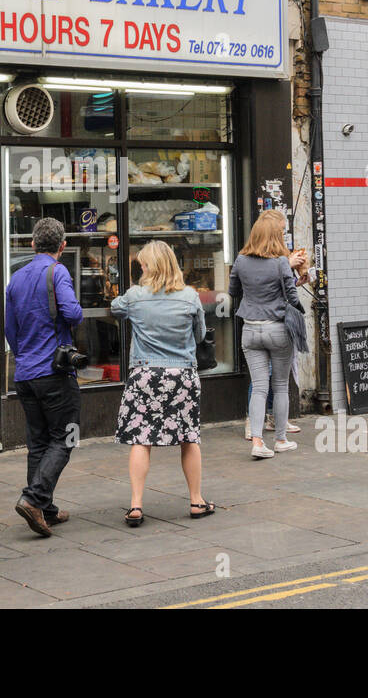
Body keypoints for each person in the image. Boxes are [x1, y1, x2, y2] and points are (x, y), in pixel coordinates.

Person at [111, 240, 213, 525]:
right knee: (189, 438)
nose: (140, 267)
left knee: (141, 439)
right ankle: (196, 501)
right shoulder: (190, 297)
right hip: (182, 376)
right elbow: (200, 335)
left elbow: (115, 307)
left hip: (145, 375)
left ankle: (135, 506)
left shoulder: (134, 296)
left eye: (142, 264)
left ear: (150, 267)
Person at [5, 217, 84, 537]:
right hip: (54, 370)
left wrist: (23, 354)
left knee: (38, 441)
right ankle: (34, 499)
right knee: (66, 436)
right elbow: (73, 313)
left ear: (33, 244)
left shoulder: (17, 276)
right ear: (62, 247)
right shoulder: (58, 271)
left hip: (24, 373)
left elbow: (10, 329)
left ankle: (45, 509)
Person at [230, 211, 309, 459]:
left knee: (260, 387)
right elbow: (292, 298)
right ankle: (281, 439)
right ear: (276, 235)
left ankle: (256, 441)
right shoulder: (280, 262)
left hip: (250, 329)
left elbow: (233, 290)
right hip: (276, 328)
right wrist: (297, 292)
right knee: (281, 386)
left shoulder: (241, 260)